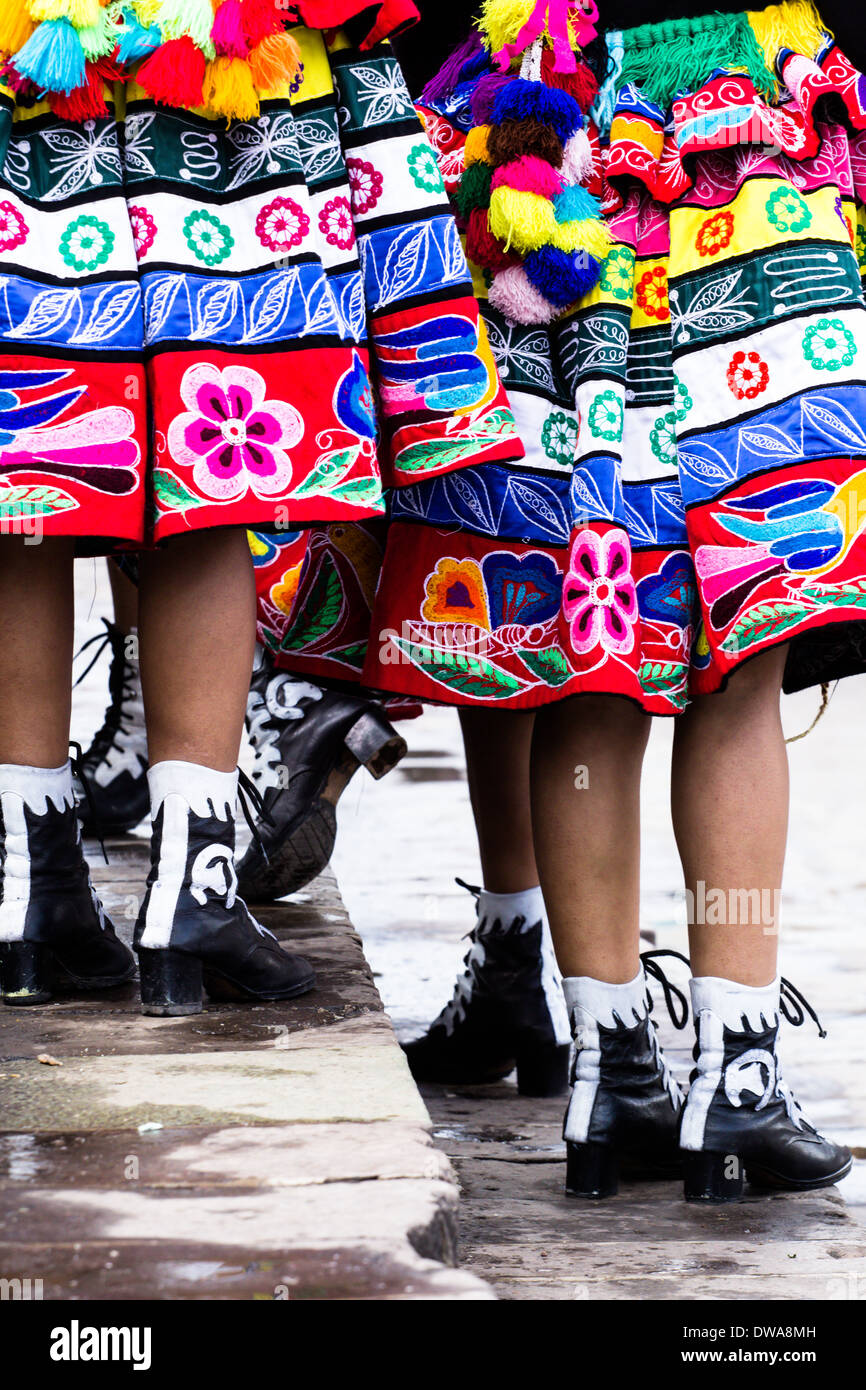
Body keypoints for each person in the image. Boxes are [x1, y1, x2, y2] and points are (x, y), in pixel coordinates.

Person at [360, 0, 863, 1200]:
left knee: (592, 650)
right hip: (735, 158)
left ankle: (610, 1067)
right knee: (739, 652)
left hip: (544, 149)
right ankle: (735, 1078)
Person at [0, 0, 523, 1018]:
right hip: (221, 54)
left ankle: (27, 881)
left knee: (27, 451)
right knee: (217, 442)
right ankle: (188, 893)